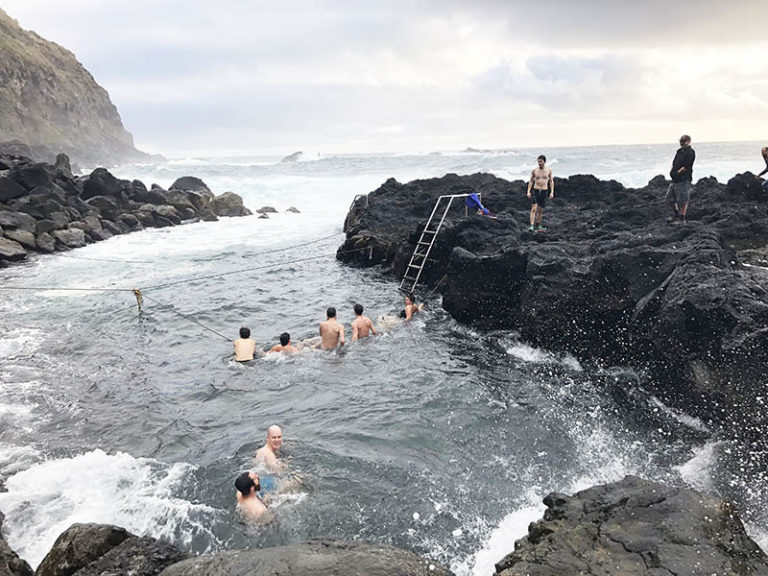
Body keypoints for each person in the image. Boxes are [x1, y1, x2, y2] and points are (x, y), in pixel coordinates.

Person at [665, 134, 695, 223]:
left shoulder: (690, 152)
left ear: (688, 142)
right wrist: (672, 171)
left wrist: (677, 173)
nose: (681, 143)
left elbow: (686, 166)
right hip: (675, 179)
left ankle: (682, 218)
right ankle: (676, 214)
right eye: (681, 141)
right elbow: (674, 162)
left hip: (684, 178)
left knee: (683, 199)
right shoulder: (679, 151)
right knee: (669, 198)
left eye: (683, 141)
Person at [526, 155, 554, 231]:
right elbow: (531, 181)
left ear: (544, 162)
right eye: (538, 161)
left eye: (541, 161)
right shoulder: (535, 170)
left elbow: (551, 181)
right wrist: (528, 191)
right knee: (534, 208)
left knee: (540, 210)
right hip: (536, 190)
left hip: (544, 191)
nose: (539, 163)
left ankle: (538, 225)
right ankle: (532, 225)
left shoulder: (548, 170)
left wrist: (552, 192)